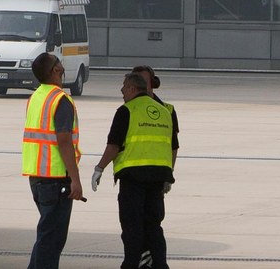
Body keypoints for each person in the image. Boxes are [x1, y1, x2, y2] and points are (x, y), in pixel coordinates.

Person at [91, 68, 177, 269]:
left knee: (132, 227)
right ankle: (159, 265)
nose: (121, 93)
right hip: (158, 177)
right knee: (154, 226)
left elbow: (114, 145)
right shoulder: (165, 111)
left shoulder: (126, 111)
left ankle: (132, 264)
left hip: (133, 177)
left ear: (131, 89)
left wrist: (99, 168)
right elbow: (173, 146)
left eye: (123, 89)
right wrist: (169, 174)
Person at [21, 51, 85, 269]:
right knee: (51, 240)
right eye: (60, 64)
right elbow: (64, 141)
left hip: (37, 177)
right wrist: (75, 180)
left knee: (47, 237)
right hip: (55, 179)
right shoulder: (61, 101)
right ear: (56, 71)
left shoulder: (35, 97)